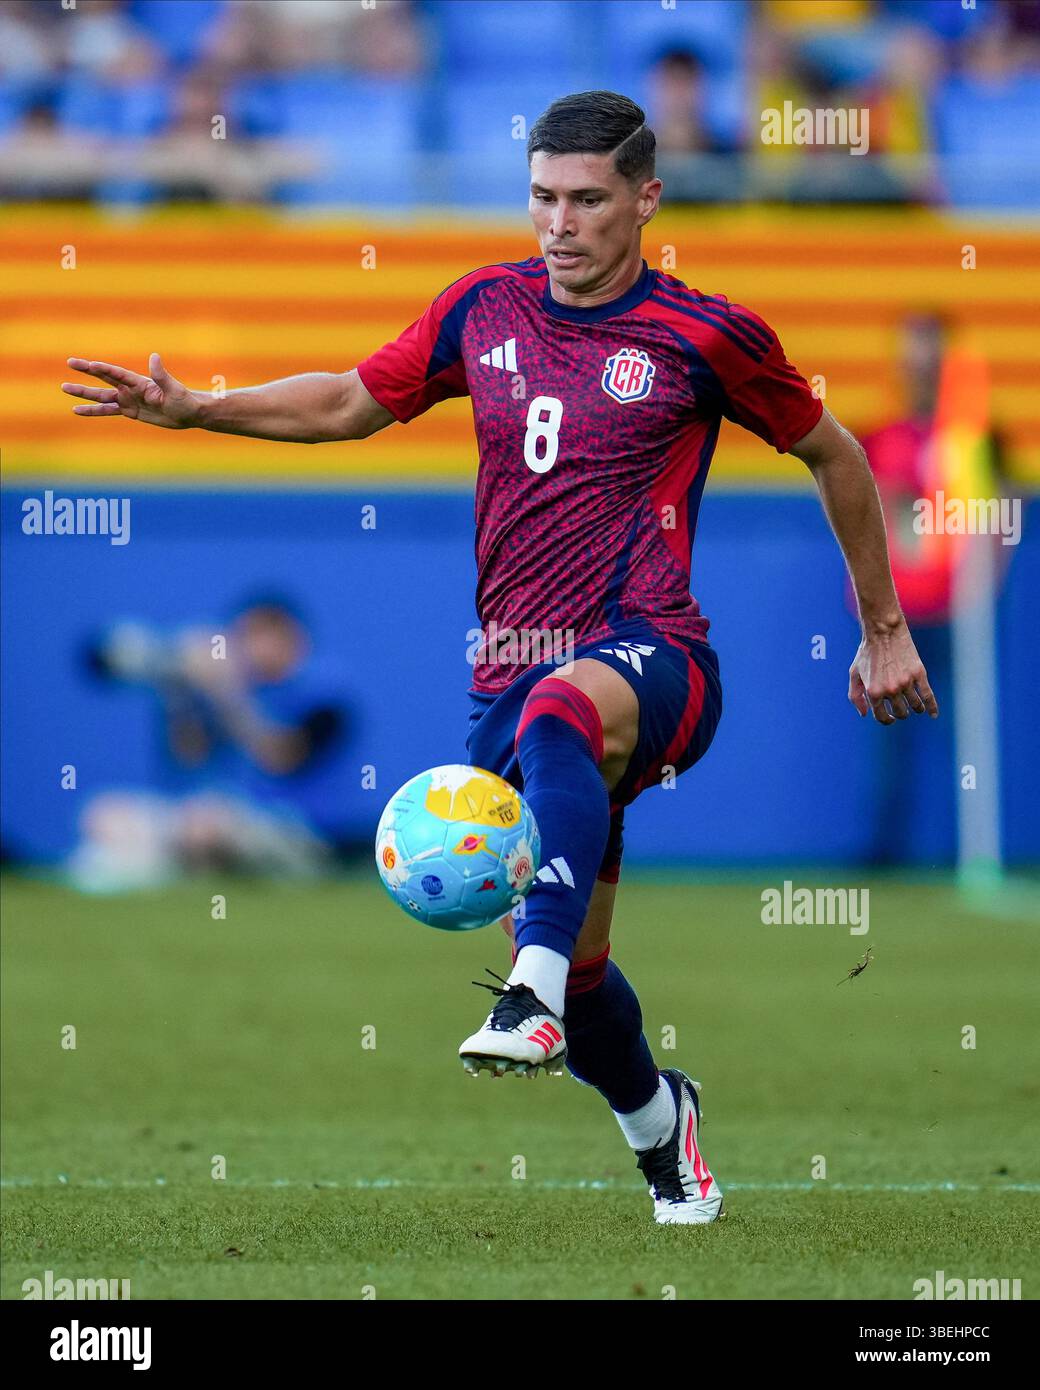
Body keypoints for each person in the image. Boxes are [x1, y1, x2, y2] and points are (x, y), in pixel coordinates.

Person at [61, 89, 938, 1227]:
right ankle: (657, 1123)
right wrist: (197, 410)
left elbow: (834, 453)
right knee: (586, 966)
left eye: (585, 200)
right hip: (507, 679)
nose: (558, 224)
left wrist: (879, 626)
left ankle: (523, 991)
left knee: (562, 729)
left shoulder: (705, 336)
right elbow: (343, 402)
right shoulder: (480, 307)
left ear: (645, 199)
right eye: (540, 198)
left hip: (653, 655)